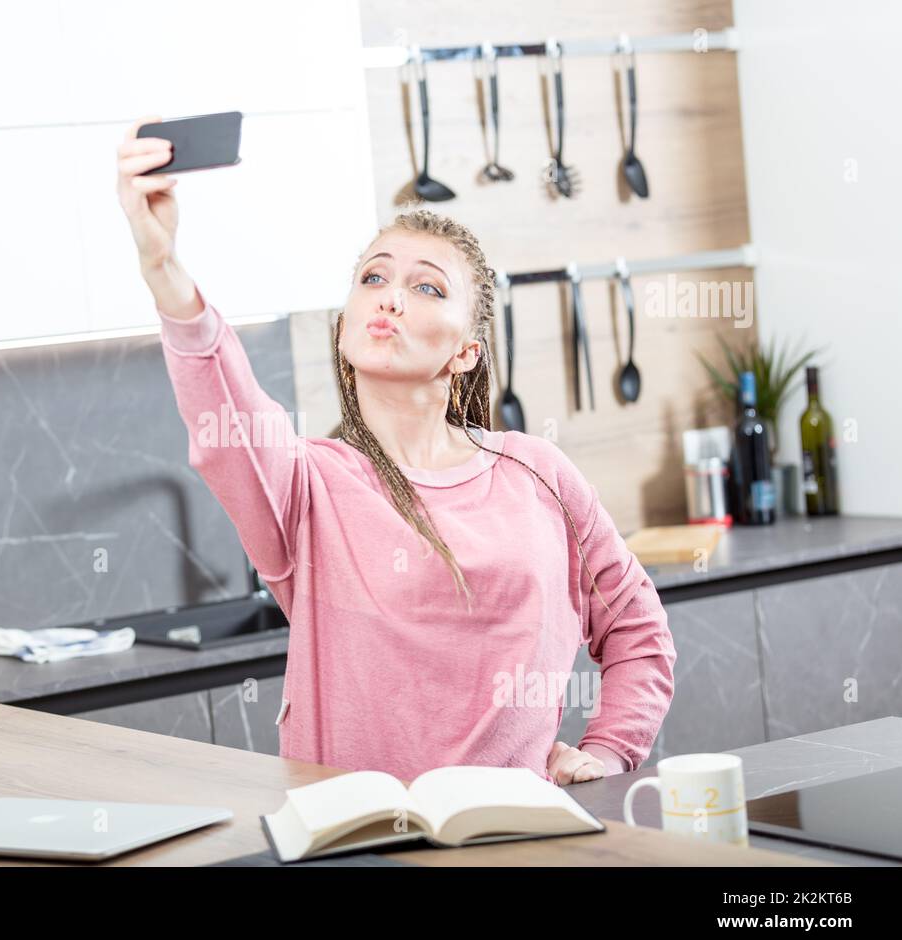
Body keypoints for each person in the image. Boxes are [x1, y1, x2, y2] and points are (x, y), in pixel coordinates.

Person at [116, 116, 675, 786]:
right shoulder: (308, 485)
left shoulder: (537, 471)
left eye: (427, 287)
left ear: (466, 350)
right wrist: (161, 263)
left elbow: (639, 633)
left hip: (518, 839)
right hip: (359, 846)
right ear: (347, 321)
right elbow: (226, 409)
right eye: (373, 280)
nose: (391, 300)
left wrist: (609, 751)